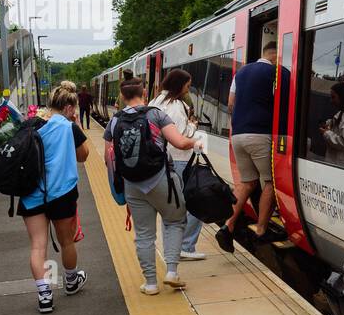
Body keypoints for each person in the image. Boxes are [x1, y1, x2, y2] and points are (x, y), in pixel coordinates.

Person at [104, 79, 201, 294]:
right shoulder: (156, 114)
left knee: (144, 234)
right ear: (144, 92)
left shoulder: (114, 121)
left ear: (121, 96)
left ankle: (150, 283)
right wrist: (195, 141)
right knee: (175, 221)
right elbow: (179, 142)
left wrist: (118, 187)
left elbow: (108, 158)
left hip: (133, 185)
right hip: (161, 180)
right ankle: (172, 272)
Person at [20, 81, 90, 313]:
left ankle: (45, 296)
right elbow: (84, 156)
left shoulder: (32, 123)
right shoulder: (68, 127)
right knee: (66, 241)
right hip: (62, 193)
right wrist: (76, 126)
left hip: (31, 194)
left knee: (38, 247)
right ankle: (71, 281)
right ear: (69, 108)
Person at [216, 40, 278, 252]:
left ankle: (227, 226)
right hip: (260, 134)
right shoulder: (275, 73)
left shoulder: (240, 73)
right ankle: (261, 229)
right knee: (270, 182)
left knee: (247, 182)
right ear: (276, 55)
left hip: (238, 135)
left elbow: (230, 103)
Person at [151, 68, 206, 261]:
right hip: (179, 160)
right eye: (187, 86)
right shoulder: (175, 106)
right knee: (194, 204)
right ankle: (185, 246)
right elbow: (181, 136)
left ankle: (172, 248)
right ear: (179, 84)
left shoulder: (155, 101)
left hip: (161, 160)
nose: (188, 90)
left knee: (170, 207)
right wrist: (193, 125)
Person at [320, 82, 344, 167]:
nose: (331, 101)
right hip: (335, 163)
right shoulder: (342, 115)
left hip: (339, 166)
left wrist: (326, 133)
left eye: (333, 97)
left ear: (342, 97)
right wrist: (328, 124)